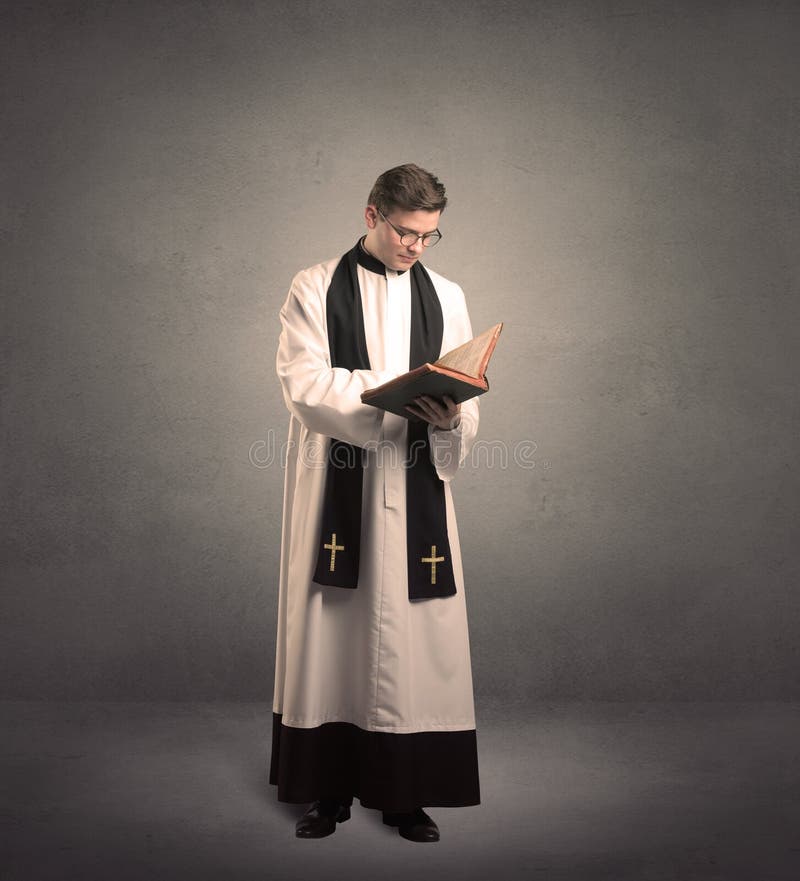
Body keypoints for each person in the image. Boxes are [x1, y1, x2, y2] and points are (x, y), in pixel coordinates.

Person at [269, 163, 481, 843]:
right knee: (333, 632)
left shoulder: (446, 294)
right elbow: (302, 382)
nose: (415, 246)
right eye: (404, 231)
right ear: (371, 215)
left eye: (429, 235)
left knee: (414, 640)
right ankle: (327, 791)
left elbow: (466, 385)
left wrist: (448, 419)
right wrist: (391, 391)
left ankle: (403, 794)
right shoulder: (313, 285)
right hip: (341, 484)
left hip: (415, 482)